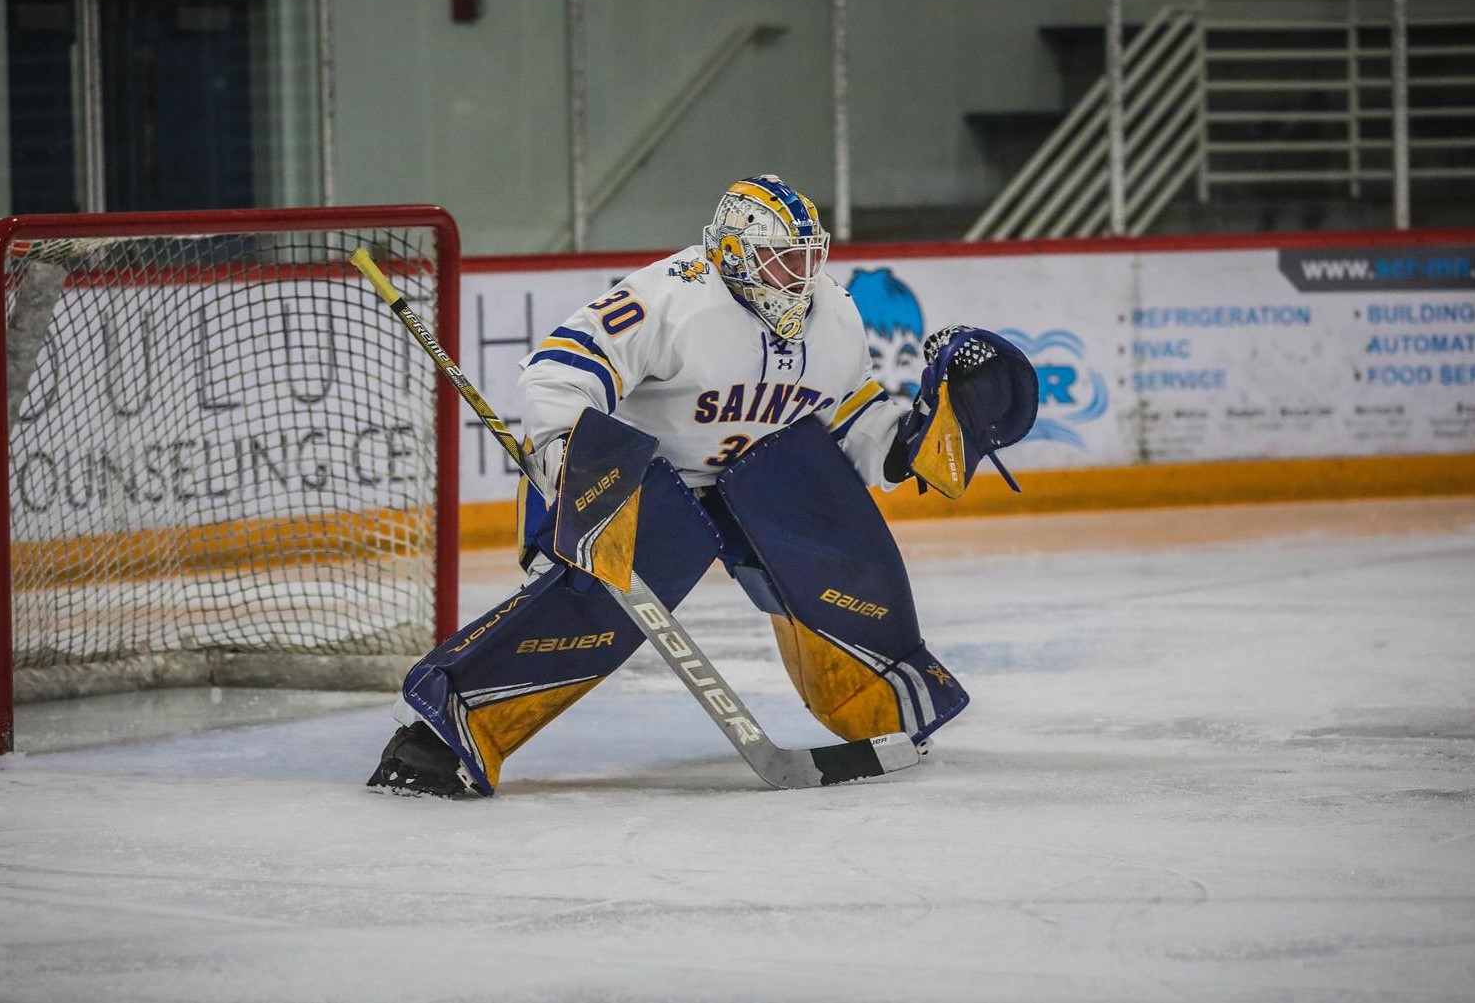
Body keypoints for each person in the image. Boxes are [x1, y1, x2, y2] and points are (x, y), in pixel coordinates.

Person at [368, 175, 1036, 797]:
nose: (800, 275)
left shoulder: (833, 313)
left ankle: (885, 702)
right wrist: (564, 452)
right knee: (585, 604)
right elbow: (557, 370)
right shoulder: (670, 297)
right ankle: (437, 731)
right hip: (632, 481)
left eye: (807, 256)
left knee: (846, 550)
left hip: (758, 477)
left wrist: (917, 434)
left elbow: (850, 419)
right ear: (734, 254)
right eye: (781, 258)